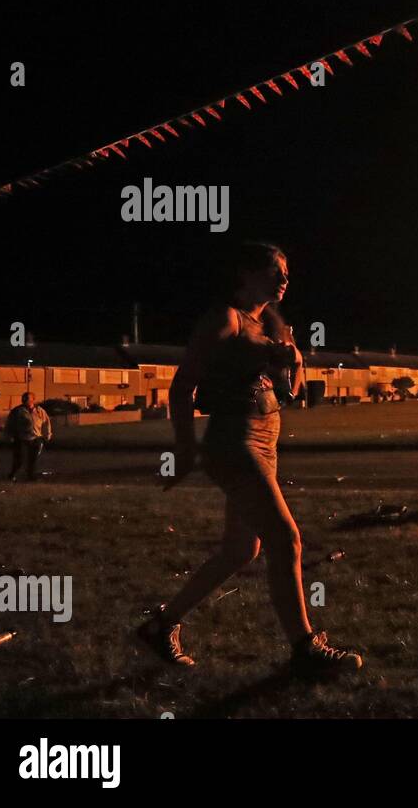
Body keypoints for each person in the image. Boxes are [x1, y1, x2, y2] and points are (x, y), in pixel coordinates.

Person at [137, 242, 363, 676]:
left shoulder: (274, 325)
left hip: (267, 437)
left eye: (286, 272)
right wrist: (185, 450)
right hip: (234, 440)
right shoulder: (225, 319)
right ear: (245, 274)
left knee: (242, 548)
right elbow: (182, 387)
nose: (284, 279)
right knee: (287, 540)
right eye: (274, 271)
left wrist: (294, 360)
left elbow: (291, 394)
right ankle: (304, 648)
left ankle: (160, 626)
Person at [6, 393, 51, 481]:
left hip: (36, 438)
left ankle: (31, 476)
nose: (25, 400)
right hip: (22, 438)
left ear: (33, 399)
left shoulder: (39, 411)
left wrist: (48, 434)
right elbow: (10, 424)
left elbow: (46, 423)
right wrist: (10, 435)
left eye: (27, 398)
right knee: (20, 458)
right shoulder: (17, 411)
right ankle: (12, 474)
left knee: (33, 459)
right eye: (24, 398)